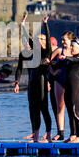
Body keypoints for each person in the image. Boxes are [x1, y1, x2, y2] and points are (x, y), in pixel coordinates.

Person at [14, 14, 52, 142]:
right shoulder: (32, 52)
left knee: (44, 108)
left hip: (42, 81)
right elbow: (27, 37)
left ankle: (48, 135)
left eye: (39, 41)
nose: (36, 43)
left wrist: (45, 24)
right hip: (32, 83)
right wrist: (23, 25)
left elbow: (45, 40)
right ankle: (35, 136)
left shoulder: (46, 53)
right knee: (34, 108)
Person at [49, 38, 79, 143]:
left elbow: (73, 60)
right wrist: (49, 63)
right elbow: (58, 64)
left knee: (75, 112)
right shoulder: (69, 59)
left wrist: (66, 57)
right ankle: (72, 135)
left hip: (75, 89)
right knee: (70, 112)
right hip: (67, 88)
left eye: (73, 46)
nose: (71, 48)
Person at [48, 31, 75, 141]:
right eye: (62, 39)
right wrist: (53, 72)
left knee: (72, 109)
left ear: (70, 40)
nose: (62, 41)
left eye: (64, 39)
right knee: (60, 108)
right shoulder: (59, 50)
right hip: (59, 81)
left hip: (71, 82)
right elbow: (47, 61)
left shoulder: (75, 51)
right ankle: (61, 133)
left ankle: (74, 133)